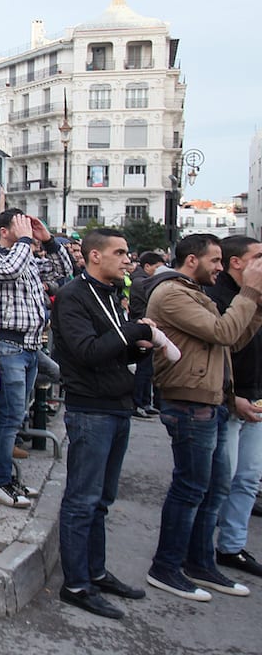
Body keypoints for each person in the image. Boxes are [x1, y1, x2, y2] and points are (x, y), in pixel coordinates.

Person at [145, 233, 262, 600]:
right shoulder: (173, 293)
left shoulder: (195, 292)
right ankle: (166, 567)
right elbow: (222, 331)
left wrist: (255, 304)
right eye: (215, 260)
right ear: (192, 260)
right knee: (191, 488)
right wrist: (250, 294)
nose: (220, 267)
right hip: (188, 402)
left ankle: (200, 563)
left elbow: (231, 341)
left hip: (210, 401)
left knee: (214, 489)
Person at [52, 228, 154, 619]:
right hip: (90, 409)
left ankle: (95, 570)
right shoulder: (74, 296)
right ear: (95, 256)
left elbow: (116, 348)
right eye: (120, 253)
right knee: (83, 499)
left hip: (117, 404)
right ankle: (76, 583)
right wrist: (135, 332)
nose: (127, 260)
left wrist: (140, 348)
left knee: (103, 500)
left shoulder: (113, 295)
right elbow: (88, 351)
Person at [0, 209, 70, 508]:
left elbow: (60, 270)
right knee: (8, 418)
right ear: (5, 231)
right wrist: (25, 241)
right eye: (21, 226)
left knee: (16, 418)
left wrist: (49, 240)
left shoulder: (25, 255)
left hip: (30, 347)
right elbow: (9, 271)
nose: (28, 233)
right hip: (8, 346)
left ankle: (8, 479)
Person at [199, 237, 262, 581]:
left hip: (255, 395)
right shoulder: (216, 296)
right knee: (219, 481)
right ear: (238, 263)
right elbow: (224, 343)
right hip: (228, 401)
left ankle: (232, 545)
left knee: (248, 478)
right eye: (258, 257)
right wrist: (231, 393)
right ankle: (201, 552)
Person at [128, 251, 167, 416]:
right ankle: (138, 403)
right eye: (157, 267)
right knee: (143, 370)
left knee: (148, 369)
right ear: (147, 266)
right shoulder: (140, 282)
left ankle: (145, 401)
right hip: (142, 327)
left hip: (149, 328)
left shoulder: (145, 281)